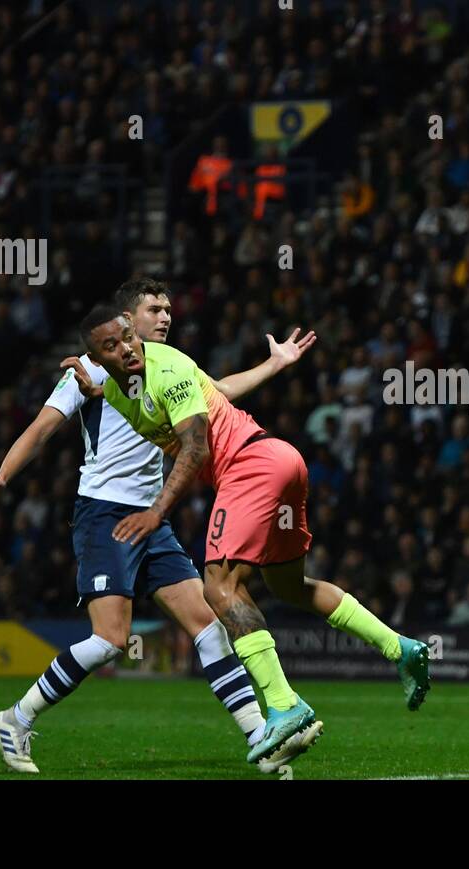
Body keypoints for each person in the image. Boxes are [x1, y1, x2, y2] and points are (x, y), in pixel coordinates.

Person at [0, 278, 319, 774]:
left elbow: (219, 392)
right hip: (105, 515)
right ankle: (16, 718)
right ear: (125, 320)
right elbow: (41, 428)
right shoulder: (93, 369)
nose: (164, 317)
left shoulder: (169, 364)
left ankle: (262, 737)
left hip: (150, 517)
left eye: (167, 310)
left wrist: (276, 364)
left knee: (208, 624)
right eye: (153, 310)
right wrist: (1, 479)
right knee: (110, 641)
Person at [69, 301, 431, 763]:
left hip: (249, 467)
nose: (128, 348)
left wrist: (157, 511)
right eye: (112, 346)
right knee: (290, 586)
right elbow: (214, 390)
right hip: (281, 462)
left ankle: (283, 704)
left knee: (217, 588)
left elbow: (196, 448)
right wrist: (94, 392)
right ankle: (399, 647)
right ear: (98, 361)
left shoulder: (169, 366)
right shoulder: (118, 392)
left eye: (128, 336)